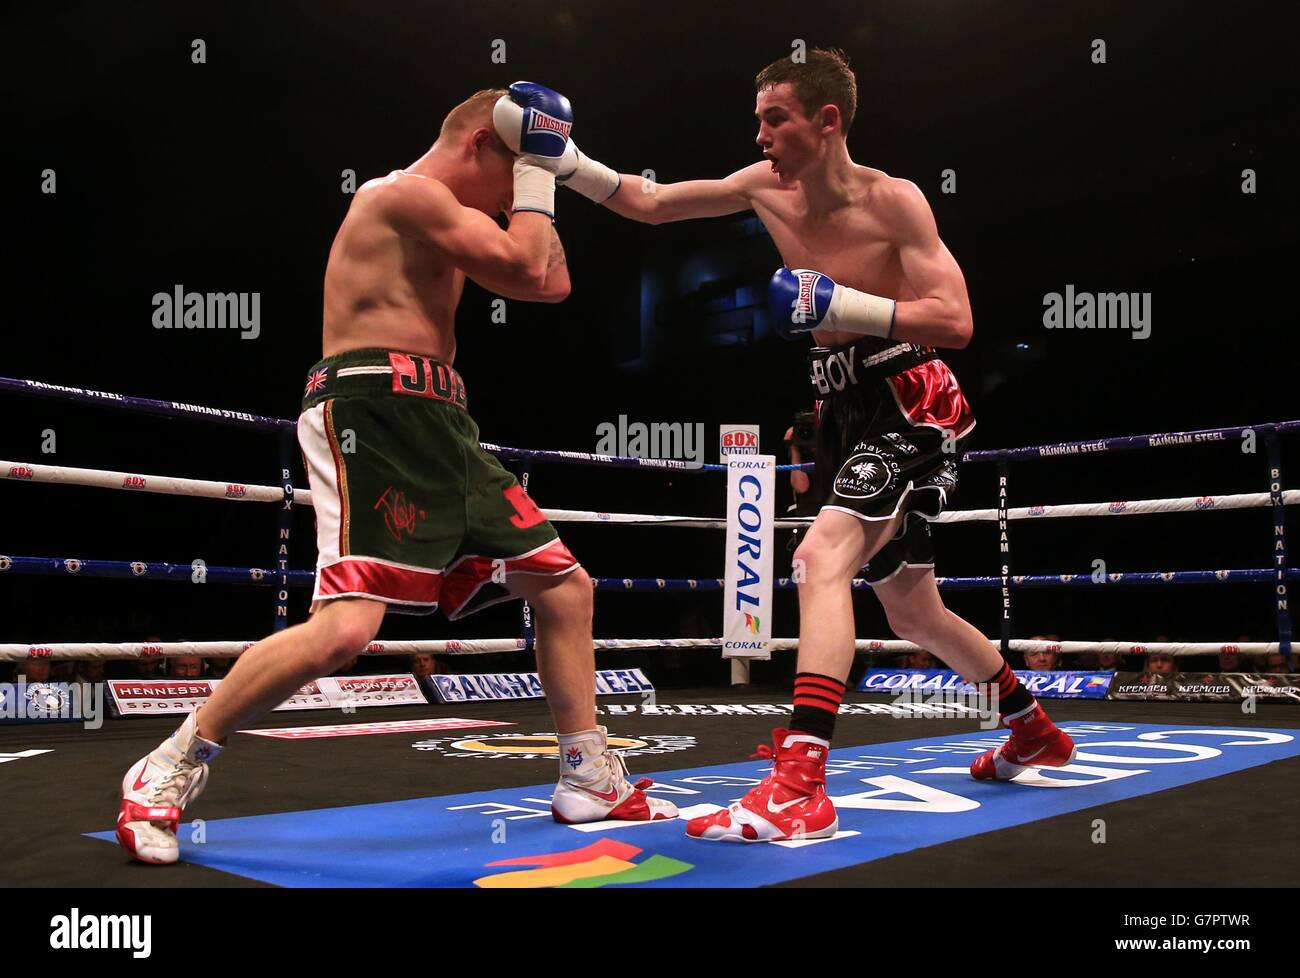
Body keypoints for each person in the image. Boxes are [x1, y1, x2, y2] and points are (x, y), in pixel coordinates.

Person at [116, 82, 677, 865]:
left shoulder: (451, 216)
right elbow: (528, 261)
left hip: (444, 422)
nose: (514, 195)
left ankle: (588, 776)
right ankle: (169, 762)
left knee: (564, 588)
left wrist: (537, 168)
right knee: (345, 630)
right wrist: (539, 167)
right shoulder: (399, 194)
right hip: (370, 411)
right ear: (480, 143)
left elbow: (549, 282)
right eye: (515, 169)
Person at [557, 48, 1074, 842]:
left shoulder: (894, 201)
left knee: (818, 558)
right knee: (915, 613)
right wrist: (565, 162)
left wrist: (848, 304)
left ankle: (801, 785)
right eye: (759, 119)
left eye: (776, 118)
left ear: (827, 121)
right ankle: (1032, 728)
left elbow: (956, 320)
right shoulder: (763, 187)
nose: (760, 135)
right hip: (839, 407)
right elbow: (652, 202)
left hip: (909, 395)